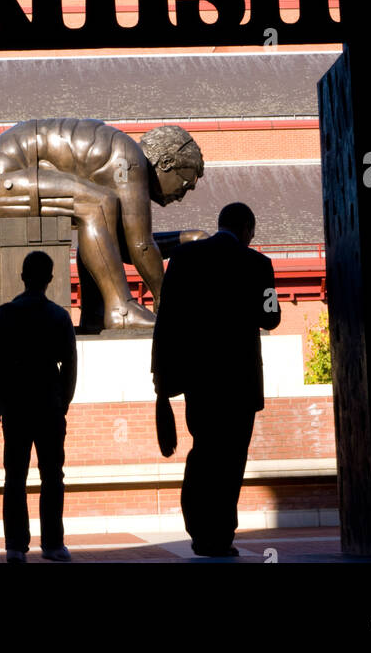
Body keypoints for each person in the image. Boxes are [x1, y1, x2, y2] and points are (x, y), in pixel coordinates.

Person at [0, 119, 204, 330]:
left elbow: (122, 246)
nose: (181, 196)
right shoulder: (129, 159)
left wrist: (188, 240)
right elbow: (140, 246)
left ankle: (96, 313)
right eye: (184, 184)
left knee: (97, 219)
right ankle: (120, 310)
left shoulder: (119, 154)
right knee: (97, 204)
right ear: (166, 163)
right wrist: (165, 300)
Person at [151, 202, 282, 558]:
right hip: (240, 383)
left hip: (200, 379)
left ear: (220, 223)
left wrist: (161, 376)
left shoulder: (185, 258)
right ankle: (222, 535)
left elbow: (167, 318)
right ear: (247, 230)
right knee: (231, 458)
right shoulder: (259, 265)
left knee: (204, 452)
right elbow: (271, 318)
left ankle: (198, 531)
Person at [0, 250, 78, 563]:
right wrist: (64, 402)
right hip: (48, 404)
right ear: (50, 279)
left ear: (22, 276)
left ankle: (15, 547)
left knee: (15, 477)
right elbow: (70, 363)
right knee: (52, 477)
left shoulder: (2, 315)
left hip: (14, 406)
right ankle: (53, 545)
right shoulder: (58, 316)